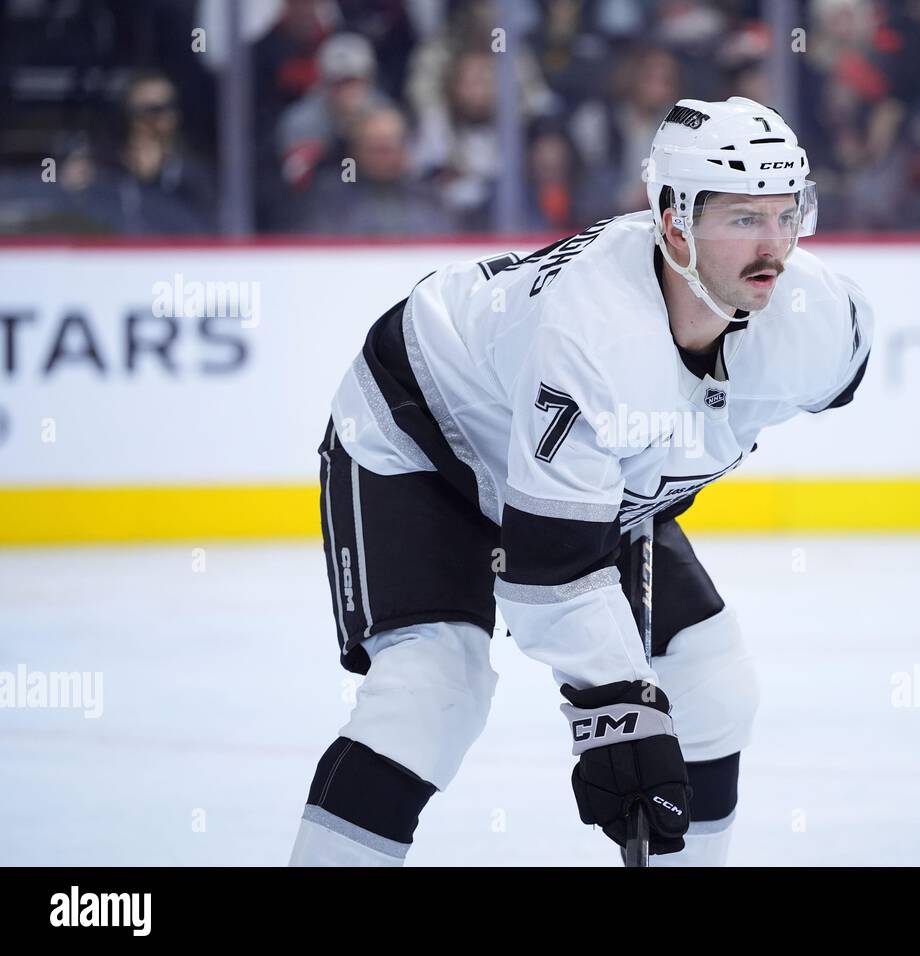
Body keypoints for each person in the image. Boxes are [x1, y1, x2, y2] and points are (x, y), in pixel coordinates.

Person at [288, 96, 874, 867]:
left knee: (712, 687)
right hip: (424, 435)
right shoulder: (597, 335)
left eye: (786, 214)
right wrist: (614, 705)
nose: (773, 247)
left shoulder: (820, 322)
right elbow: (551, 566)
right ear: (673, 222)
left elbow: (591, 513)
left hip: (580, 478)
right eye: (741, 219)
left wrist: (629, 707)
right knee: (432, 694)